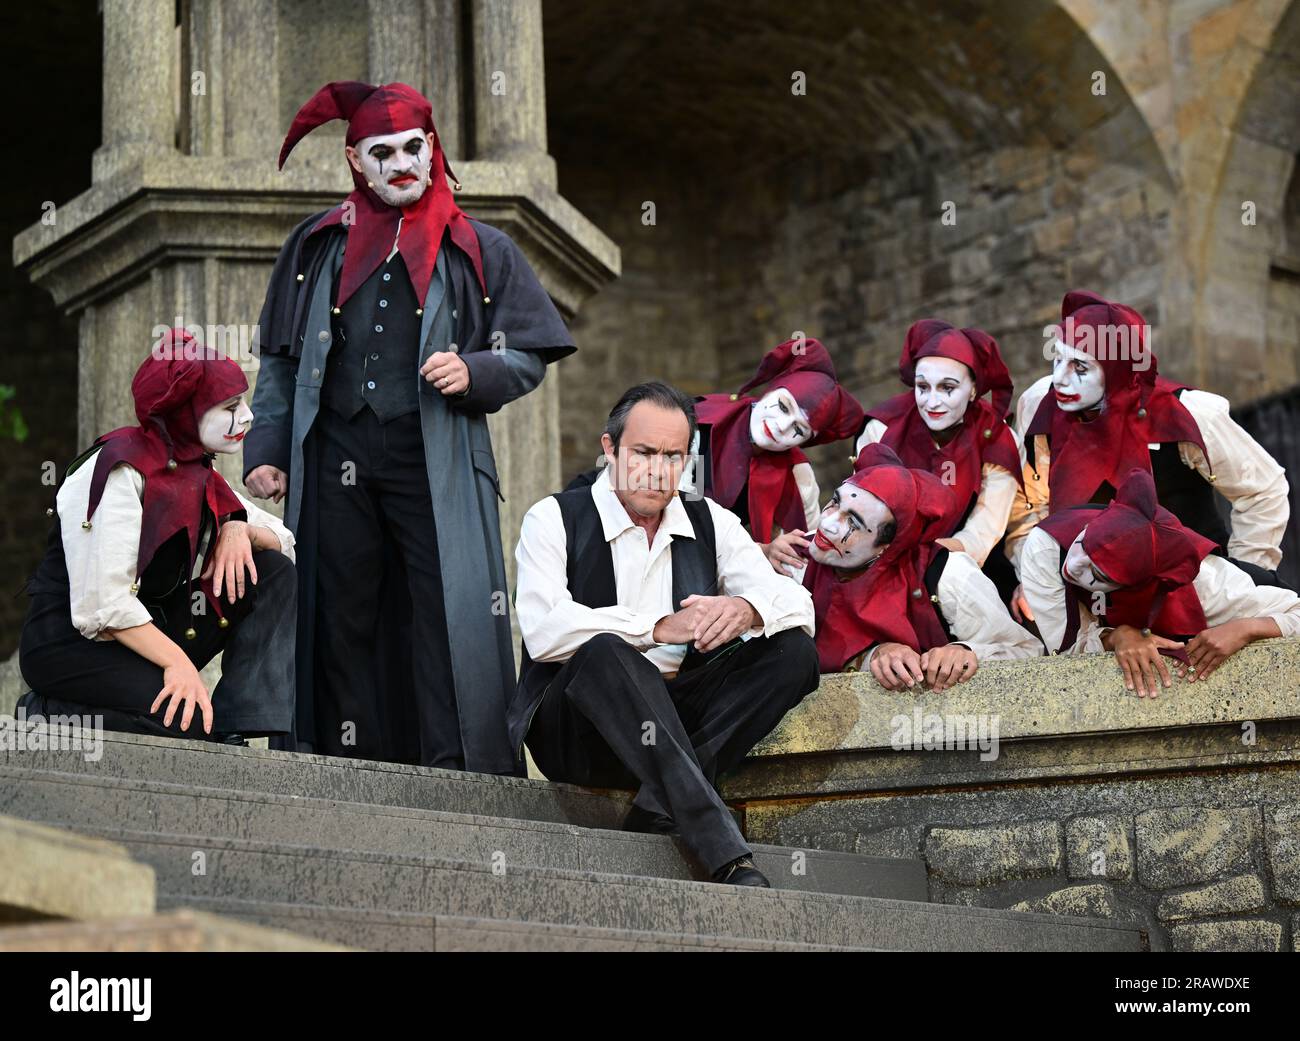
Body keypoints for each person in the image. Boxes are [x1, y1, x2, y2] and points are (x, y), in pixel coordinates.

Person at [243, 81, 575, 772]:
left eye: (414, 147)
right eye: (382, 151)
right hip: (335, 448)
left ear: (433, 151)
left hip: (434, 450)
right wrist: (267, 445)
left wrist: (478, 370)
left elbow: (531, 353)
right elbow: (278, 359)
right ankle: (343, 764)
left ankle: (457, 770)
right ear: (355, 160)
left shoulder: (479, 246)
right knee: (339, 608)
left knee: (443, 609)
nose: (401, 162)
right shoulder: (313, 247)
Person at [509, 381, 819, 887]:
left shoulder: (710, 521)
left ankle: (658, 805)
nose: (658, 470)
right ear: (610, 450)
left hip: (672, 721)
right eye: (644, 453)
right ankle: (721, 849)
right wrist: (654, 629)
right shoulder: (554, 518)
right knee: (608, 650)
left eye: (673, 456)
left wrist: (747, 607)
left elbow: (798, 605)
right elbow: (544, 631)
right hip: (582, 731)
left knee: (793, 651)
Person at [19, 329, 296, 742]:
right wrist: (179, 665)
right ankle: (47, 711)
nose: (247, 416)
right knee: (180, 722)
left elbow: (285, 540)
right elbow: (105, 606)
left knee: (270, 570)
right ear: (186, 412)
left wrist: (240, 528)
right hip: (73, 644)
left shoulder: (200, 472)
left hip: (147, 632)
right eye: (230, 406)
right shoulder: (116, 471)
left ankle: (232, 721)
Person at [1007, 290, 1289, 620]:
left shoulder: (1189, 414)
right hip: (1083, 593)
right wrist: (1035, 574)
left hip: (1192, 589)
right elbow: (1028, 502)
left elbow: (1262, 490)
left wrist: (1239, 584)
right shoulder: (1040, 403)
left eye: (1080, 367)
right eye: (1057, 360)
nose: (1060, 378)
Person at [1019, 469, 1300, 696]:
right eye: (1084, 545)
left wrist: (1245, 628)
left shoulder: (1209, 587)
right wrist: (1116, 635)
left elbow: (1295, 613)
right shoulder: (1047, 546)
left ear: (1133, 586)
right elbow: (1065, 650)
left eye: (1100, 574)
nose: (1075, 565)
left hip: (1250, 586)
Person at [799, 444, 1040, 691]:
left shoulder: (946, 573)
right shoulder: (796, 553)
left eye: (854, 522)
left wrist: (967, 652)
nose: (828, 524)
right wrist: (871, 656)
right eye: (834, 503)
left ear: (887, 547)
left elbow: (1026, 650)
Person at [855, 319, 1022, 569]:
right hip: (882, 559)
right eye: (923, 387)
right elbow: (859, 511)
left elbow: (983, 530)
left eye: (947, 388)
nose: (932, 402)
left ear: (974, 390)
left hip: (966, 565)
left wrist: (927, 560)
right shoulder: (882, 428)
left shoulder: (997, 437)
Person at [693, 337, 864, 574]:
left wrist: (773, 551)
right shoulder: (698, 423)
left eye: (798, 430)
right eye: (783, 407)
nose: (781, 427)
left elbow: (803, 552)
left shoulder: (797, 476)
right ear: (770, 391)